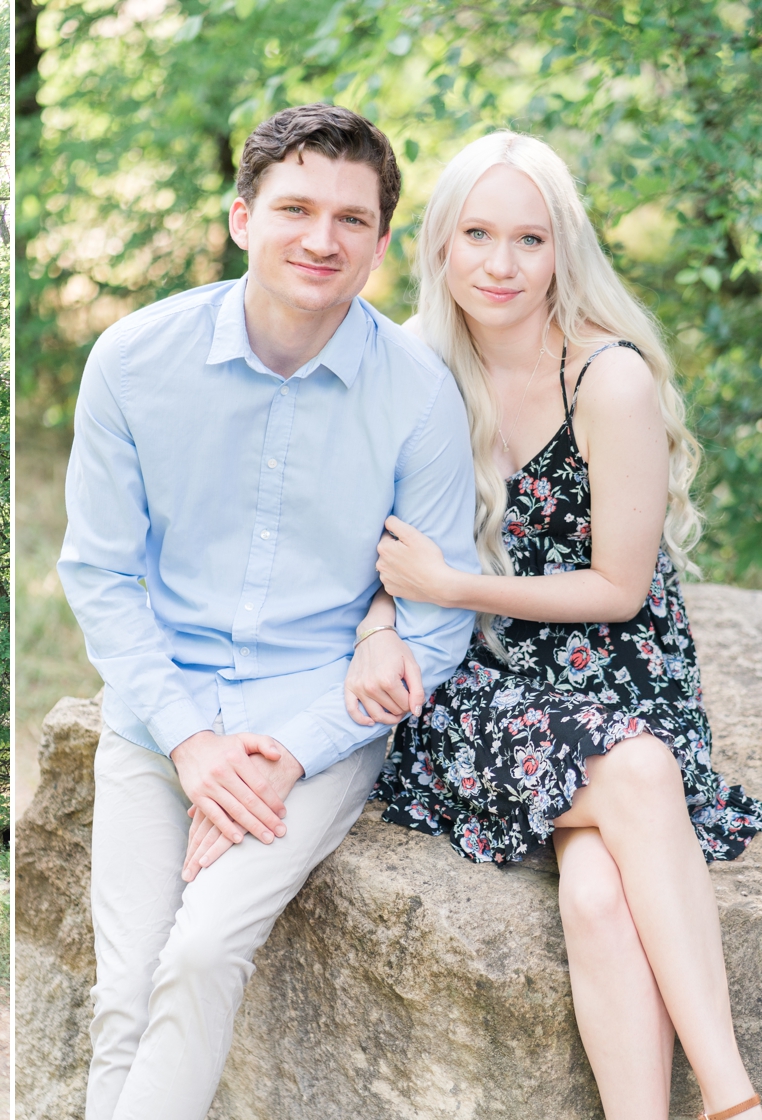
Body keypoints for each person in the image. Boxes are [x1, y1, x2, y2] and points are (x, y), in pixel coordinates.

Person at [58, 103, 479, 1120]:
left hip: (318, 717)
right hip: (160, 714)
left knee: (201, 951)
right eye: (295, 208)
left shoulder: (419, 394)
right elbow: (100, 576)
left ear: (381, 245)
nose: (321, 239)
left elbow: (436, 622)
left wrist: (288, 753)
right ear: (242, 217)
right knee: (124, 995)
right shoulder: (132, 360)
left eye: (351, 219)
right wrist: (192, 742)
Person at [346, 131, 762, 1120]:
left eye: (528, 239)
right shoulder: (407, 369)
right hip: (483, 684)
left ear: (560, 251)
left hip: (622, 673)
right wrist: (381, 626)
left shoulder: (607, 378)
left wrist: (453, 584)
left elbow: (619, 589)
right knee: (638, 782)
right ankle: (738, 1102)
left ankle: (722, 1103)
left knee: (597, 892)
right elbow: (376, 547)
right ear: (440, 243)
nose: (501, 263)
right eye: (477, 234)